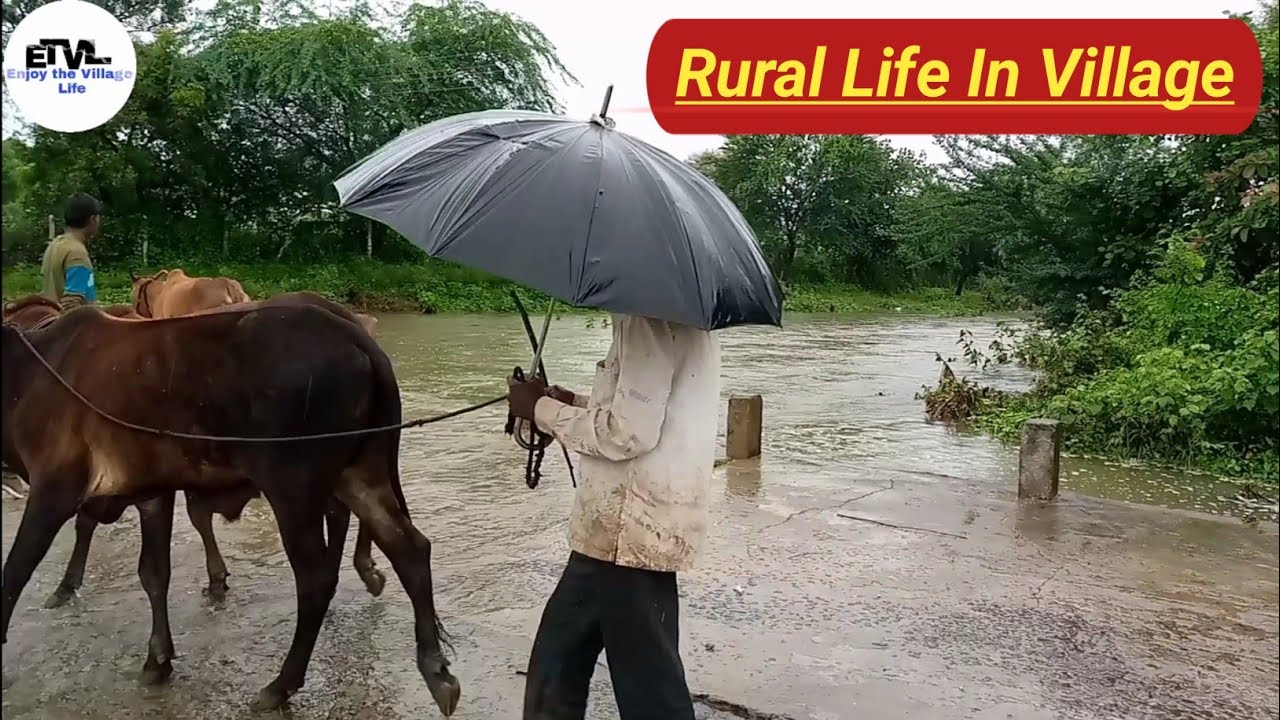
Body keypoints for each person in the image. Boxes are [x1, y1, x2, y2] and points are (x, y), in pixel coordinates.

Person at [505, 312, 721, 720]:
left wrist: (540, 409)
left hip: (630, 529)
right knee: (557, 663)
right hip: (615, 534)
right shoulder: (675, 316)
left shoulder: (648, 318)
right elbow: (641, 410)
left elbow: (627, 433)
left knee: (649, 692)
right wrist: (569, 403)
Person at [41, 193, 102, 311]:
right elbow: (72, 304)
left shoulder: (55, 245)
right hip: (73, 326)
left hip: (51, 319)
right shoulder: (77, 253)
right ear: (93, 219)